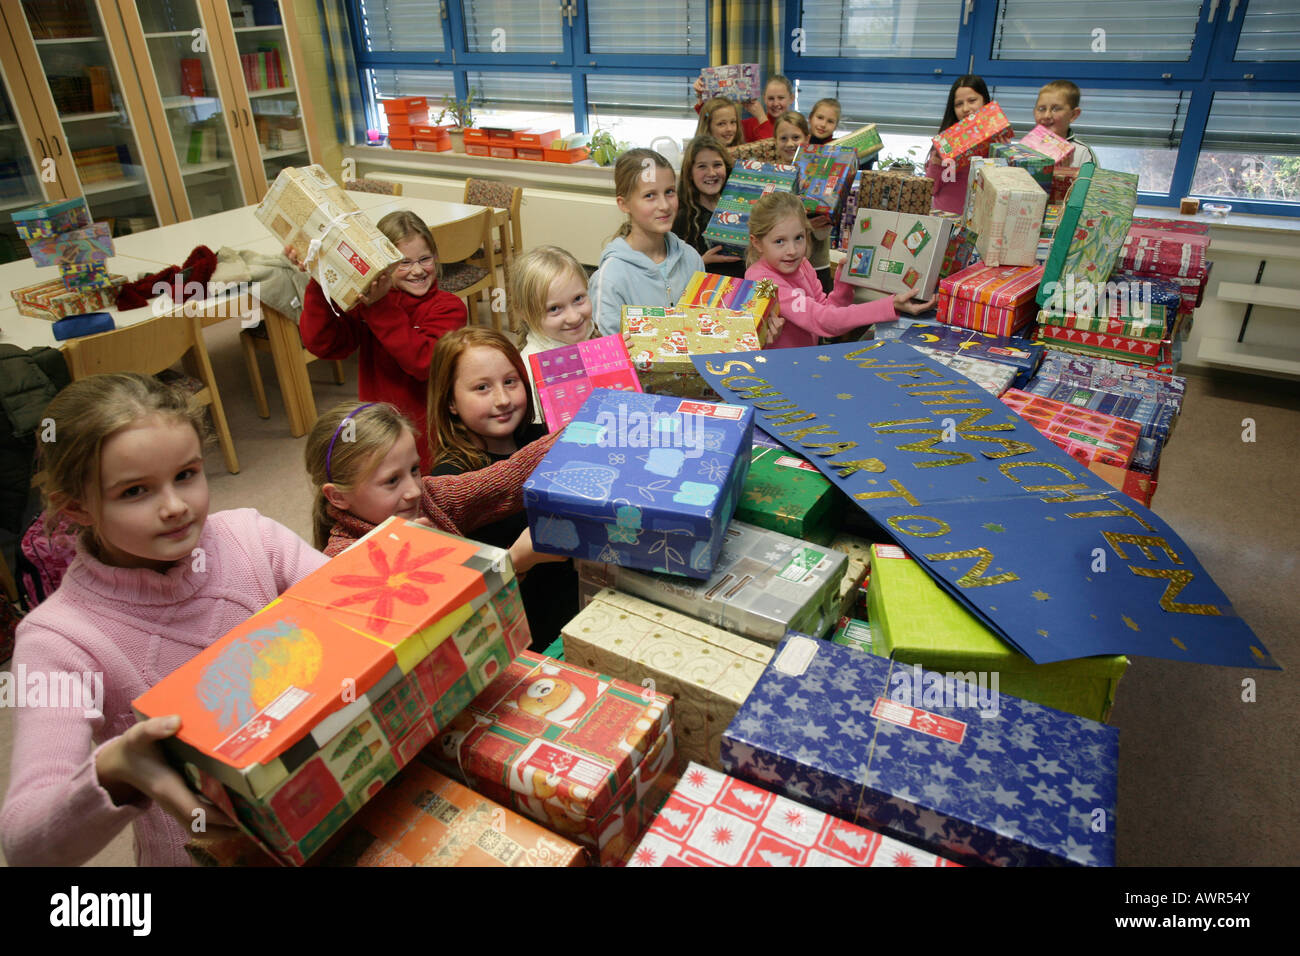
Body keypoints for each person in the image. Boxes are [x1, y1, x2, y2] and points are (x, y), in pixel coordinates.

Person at [0, 374, 328, 867]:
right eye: (134, 491)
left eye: (187, 475)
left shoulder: (254, 538)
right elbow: (26, 846)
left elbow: (351, 614)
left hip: (326, 806)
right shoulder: (57, 641)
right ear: (76, 507)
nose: (175, 507)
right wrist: (116, 769)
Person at [427, 328, 575, 650]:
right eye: (482, 387)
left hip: (574, 608)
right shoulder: (452, 481)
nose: (503, 399)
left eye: (510, 381)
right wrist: (519, 560)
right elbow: (457, 599)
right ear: (451, 401)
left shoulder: (543, 435)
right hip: (520, 636)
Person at [297, 210, 465, 470]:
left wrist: (379, 307)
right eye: (404, 263)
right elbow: (323, 344)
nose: (418, 270)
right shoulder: (368, 305)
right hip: (381, 433)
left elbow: (423, 362)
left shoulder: (449, 307)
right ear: (381, 265)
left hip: (432, 438)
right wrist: (321, 281)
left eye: (425, 259)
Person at [304, 399, 559, 559]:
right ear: (338, 497)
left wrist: (575, 433)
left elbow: (504, 479)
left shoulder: (430, 496)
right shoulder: (344, 561)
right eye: (392, 481)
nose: (413, 490)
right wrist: (513, 559)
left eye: (414, 470)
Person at [744, 192, 932, 348]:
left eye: (799, 238)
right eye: (779, 241)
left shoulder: (802, 265)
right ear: (757, 243)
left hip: (803, 360)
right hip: (778, 372)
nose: (792, 250)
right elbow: (823, 321)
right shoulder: (761, 281)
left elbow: (827, 310)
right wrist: (889, 305)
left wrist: (843, 283)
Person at [589, 148, 705, 337]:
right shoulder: (610, 278)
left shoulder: (691, 258)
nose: (664, 206)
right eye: (650, 195)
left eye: (669, 192)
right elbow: (606, 354)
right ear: (623, 204)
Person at [511, 245, 599, 422]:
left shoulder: (588, 331)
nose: (574, 318)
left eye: (578, 298)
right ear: (525, 314)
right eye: (554, 309)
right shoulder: (531, 372)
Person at [774, 111, 836, 293]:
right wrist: (805, 224)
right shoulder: (771, 177)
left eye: (796, 137)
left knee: (818, 313)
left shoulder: (820, 177)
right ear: (775, 141)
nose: (790, 143)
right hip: (780, 267)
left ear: (807, 139)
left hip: (816, 266)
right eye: (783, 138)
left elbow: (824, 230)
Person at [673, 135, 745, 279]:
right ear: (690, 173)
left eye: (717, 165)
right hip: (705, 291)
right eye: (702, 166)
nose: (711, 173)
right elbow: (673, 273)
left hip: (746, 287)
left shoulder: (742, 208)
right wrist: (702, 261)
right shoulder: (681, 218)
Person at [925, 75, 991, 215]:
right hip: (947, 218)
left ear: (984, 100)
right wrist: (937, 162)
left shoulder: (996, 139)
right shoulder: (946, 141)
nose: (966, 108)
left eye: (972, 100)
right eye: (958, 104)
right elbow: (930, 189)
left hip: (980, 219)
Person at [693, 73, 794, 142]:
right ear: (764, 99)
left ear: (791, 98)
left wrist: (762, 118)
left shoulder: (796, 126)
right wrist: (700, 96)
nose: (776, 103)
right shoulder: (747, 125)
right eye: (771, 98)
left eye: (781, 98)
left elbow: (774, 149)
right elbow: (709, 119)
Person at [1035, 80, 1096, 167]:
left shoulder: (1083, 153)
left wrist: (1065, 172)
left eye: (1056, 109)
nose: (1047, 115)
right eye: (1042, 109)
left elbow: (1091, 180)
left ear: (1073, 115)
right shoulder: (1024, 148)